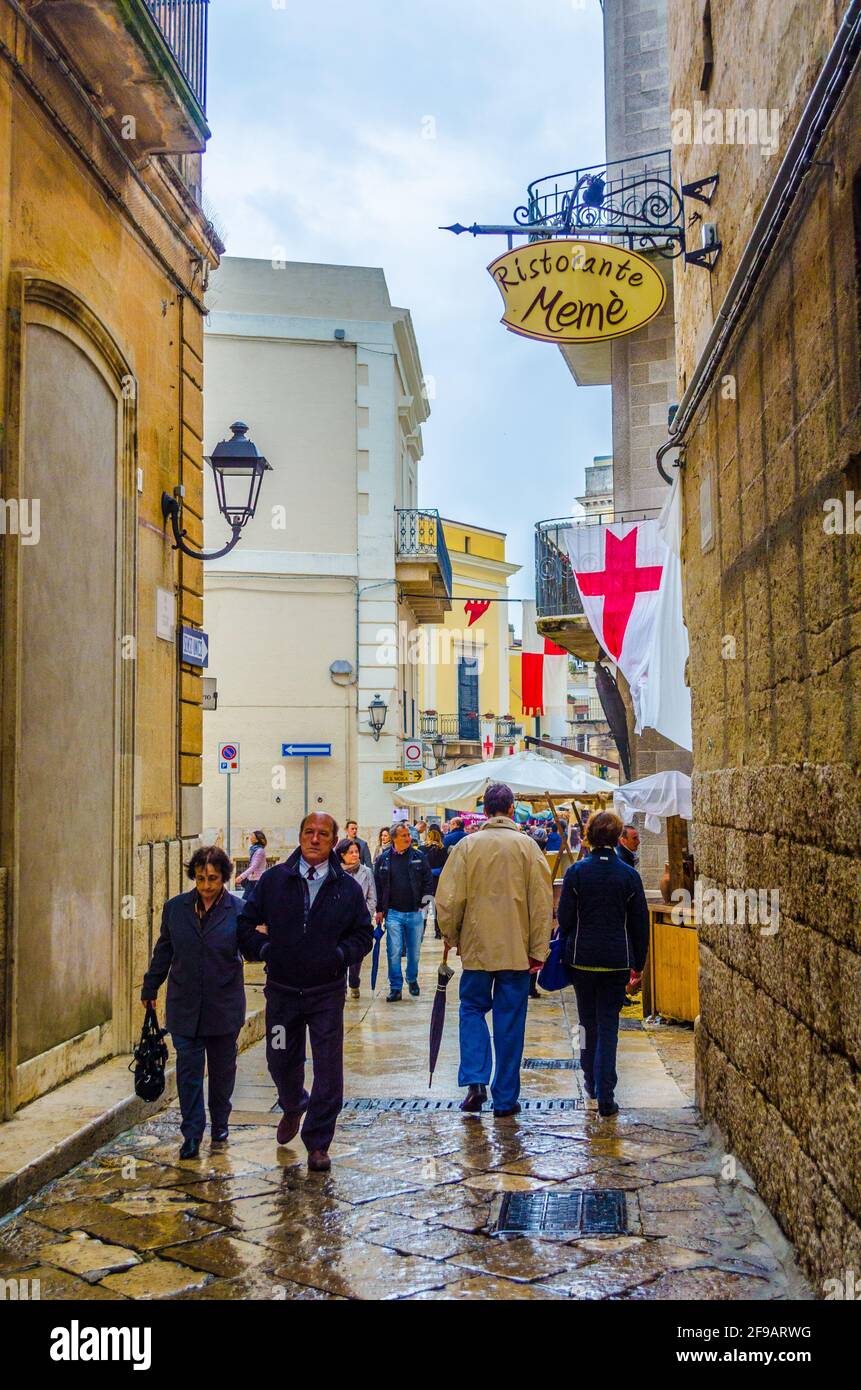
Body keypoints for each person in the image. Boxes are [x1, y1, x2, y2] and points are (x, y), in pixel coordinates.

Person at [238, 813, 372, 1172]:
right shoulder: (274, 881)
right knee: (279, 1058)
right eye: (309, 833)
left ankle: (318, 1142)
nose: (315, 839)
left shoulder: (346, 889)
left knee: (328, 1069)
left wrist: (340, 955)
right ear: (300, 836)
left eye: (323, 834)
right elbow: (246, 925)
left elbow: (363, 935)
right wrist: (265, 951)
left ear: (333, 841)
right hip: (282, 993)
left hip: (326, 993)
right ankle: (293, 1101)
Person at [436, 782, 553, 1118]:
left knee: (472, 1009)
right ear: (512, 809)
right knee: (510, 1020)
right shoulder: (529, 848)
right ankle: (505, 1098)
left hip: (477, 949)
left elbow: (448, 899)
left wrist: (453, 935)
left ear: (485, 811)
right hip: (517, 950)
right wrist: (538, 949)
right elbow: (542, 904)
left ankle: (475, 1082)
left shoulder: (466, 847)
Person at [141, 846, 245, 1161]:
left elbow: (254, 948)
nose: (206, 885)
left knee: (223, 1071)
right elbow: (165, 949)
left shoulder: (239, 911)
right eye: (200, 878)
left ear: (224, 878)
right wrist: (151, 984)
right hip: (184, 1004)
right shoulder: (176, 909)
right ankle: (191, 1133)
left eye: (212, 878)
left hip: (223, 1005)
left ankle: (221, 1122)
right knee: (188, 1072)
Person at [556, 811, 649, 1119]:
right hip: (615, 961)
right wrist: (639, 962)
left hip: (582, 960)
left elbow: (566, 919)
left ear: (590, 836)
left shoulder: (577, 873)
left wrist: (565, 948)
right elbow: (639, 923)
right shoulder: (628, 876)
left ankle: (591, 1082)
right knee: (609, 1026)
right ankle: (606, 1094)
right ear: (616, 838)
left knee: (587, 1024)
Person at [374, 821, 434, 1002]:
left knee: (414, 952)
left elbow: (428, 881)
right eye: (404, 836)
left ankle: (412, 978)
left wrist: (425, 904)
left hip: (415, 912)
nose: (408, 838)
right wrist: (378, 910)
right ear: (394, 839)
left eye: (408, 835)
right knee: (394, 951)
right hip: (393, 913)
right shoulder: (383, 859)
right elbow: (378, 885)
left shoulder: (418, 856)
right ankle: (396, 987)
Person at [336, 838, 377, 998]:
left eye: (356, 852)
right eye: (351, 852)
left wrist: (364, 915)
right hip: (339, 922)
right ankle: (341, 988)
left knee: (355, 956)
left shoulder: (366, 872)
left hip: (358, 922)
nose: (355, 855)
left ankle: (354, 981)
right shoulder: (336, 872)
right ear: (342, 855)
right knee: (339, 955)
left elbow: (372, 897)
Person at [423, 824, 448, 938]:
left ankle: (421, 930)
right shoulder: (443, 849)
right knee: (438, 907)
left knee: (425, 906)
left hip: (426, 881)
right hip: (439, 880)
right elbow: (446, 865)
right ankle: (438, 931)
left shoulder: (422, 849)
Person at [235, 830, 268, 897]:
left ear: (256, 840)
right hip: (252, 879)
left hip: (256, 881)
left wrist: (241, 877)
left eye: (252, 836)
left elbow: (253, 866)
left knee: (246, 902)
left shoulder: (259, 851)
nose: (250, 838)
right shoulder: (254, 850)